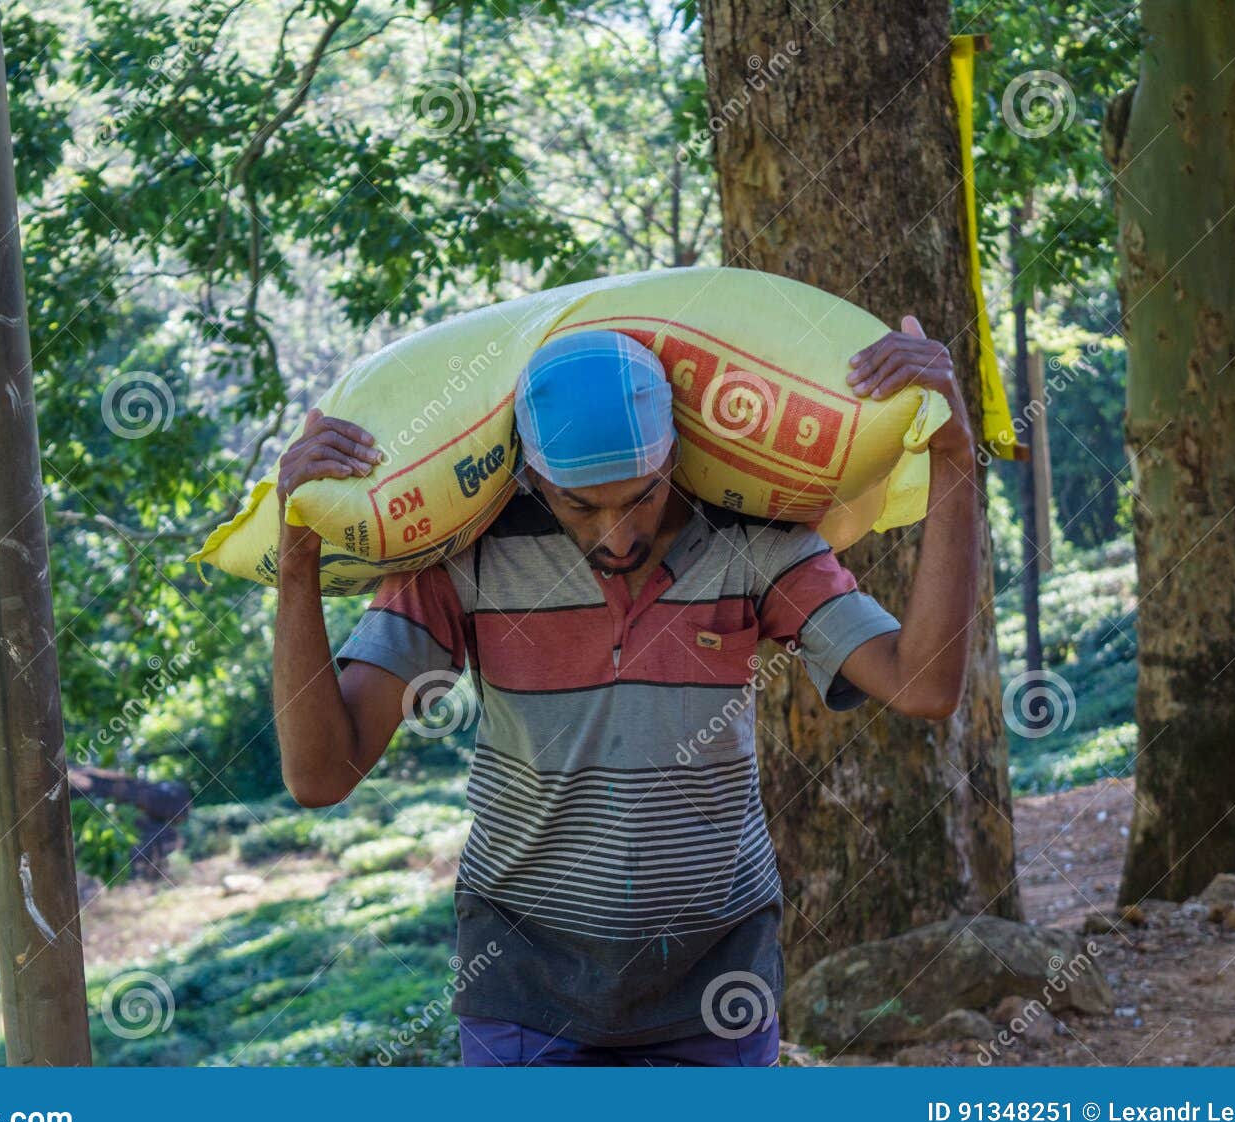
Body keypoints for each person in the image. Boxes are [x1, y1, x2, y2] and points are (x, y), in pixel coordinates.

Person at [271, 317, 980, 1066]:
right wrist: (296, 561)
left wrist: (955, 458)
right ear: (531, 475)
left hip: (716, 980)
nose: (617, 537)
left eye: (641, 497)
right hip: (523, 984)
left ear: (673, 455)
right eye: (580, 506)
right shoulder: (464, 556)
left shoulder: (752, 539)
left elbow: (924, 683)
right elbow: (320, 775)